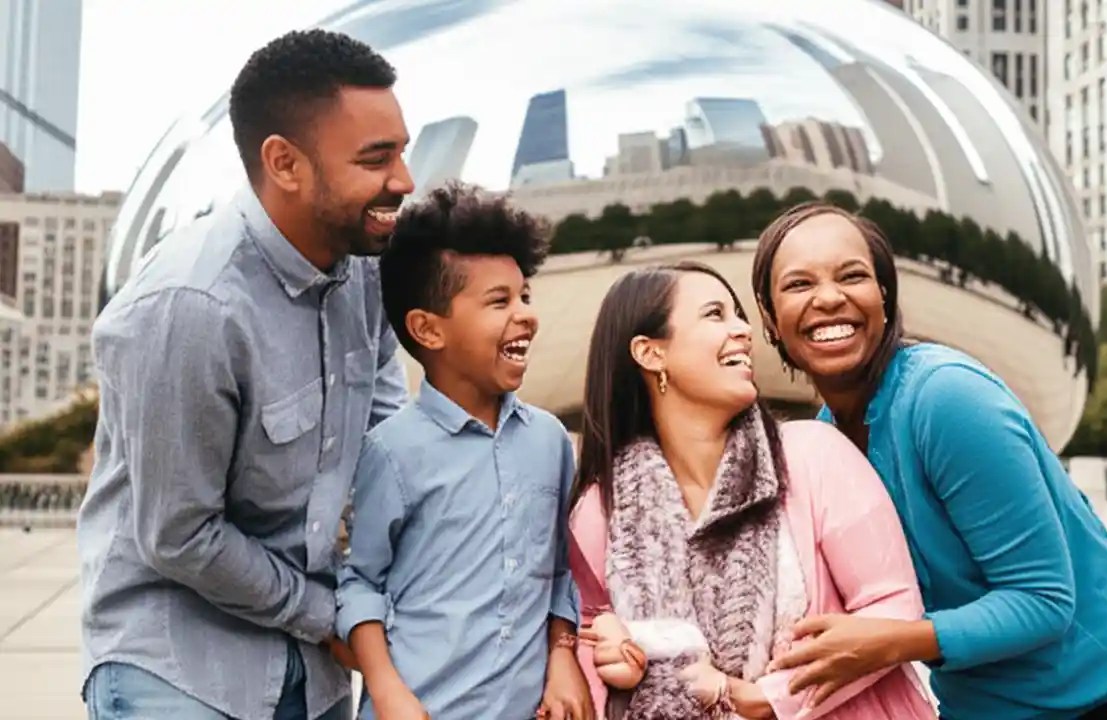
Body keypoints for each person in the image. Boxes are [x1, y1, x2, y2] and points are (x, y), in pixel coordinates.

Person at [751, 202, 1107, 720]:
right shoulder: (825, 442)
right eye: (798, 284)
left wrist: (890, 643)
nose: (829, 298)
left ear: (884, 296)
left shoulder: (946, 397)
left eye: (852, 276)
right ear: (769, 316)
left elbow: (1044, 600)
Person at [78, 30, 414, 720]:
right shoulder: (189, 308)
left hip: (316, 670)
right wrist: (329, 616)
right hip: (178, 669)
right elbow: (179, 535)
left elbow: (391, 448)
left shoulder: (368, 273)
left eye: (402, 151)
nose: (403, 180)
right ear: (284, 163)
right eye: (377, 159)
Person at [569, 261, 936, 720]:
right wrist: (614, 652)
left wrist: (765, 698)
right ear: (650, 353)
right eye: (715, 314)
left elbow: (894, 610)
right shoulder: (601, 511)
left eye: (739, 314)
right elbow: (581, 633)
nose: (743, 330)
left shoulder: (813, 456)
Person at [336, 183, 593, 720]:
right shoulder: (390, 451)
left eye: (525, 296)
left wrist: (563, 653)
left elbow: (561, 571)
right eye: (498, 302)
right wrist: (385, 689)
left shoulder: (551, 441)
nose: (525, 315)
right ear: (428, 329)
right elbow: (360, 582)